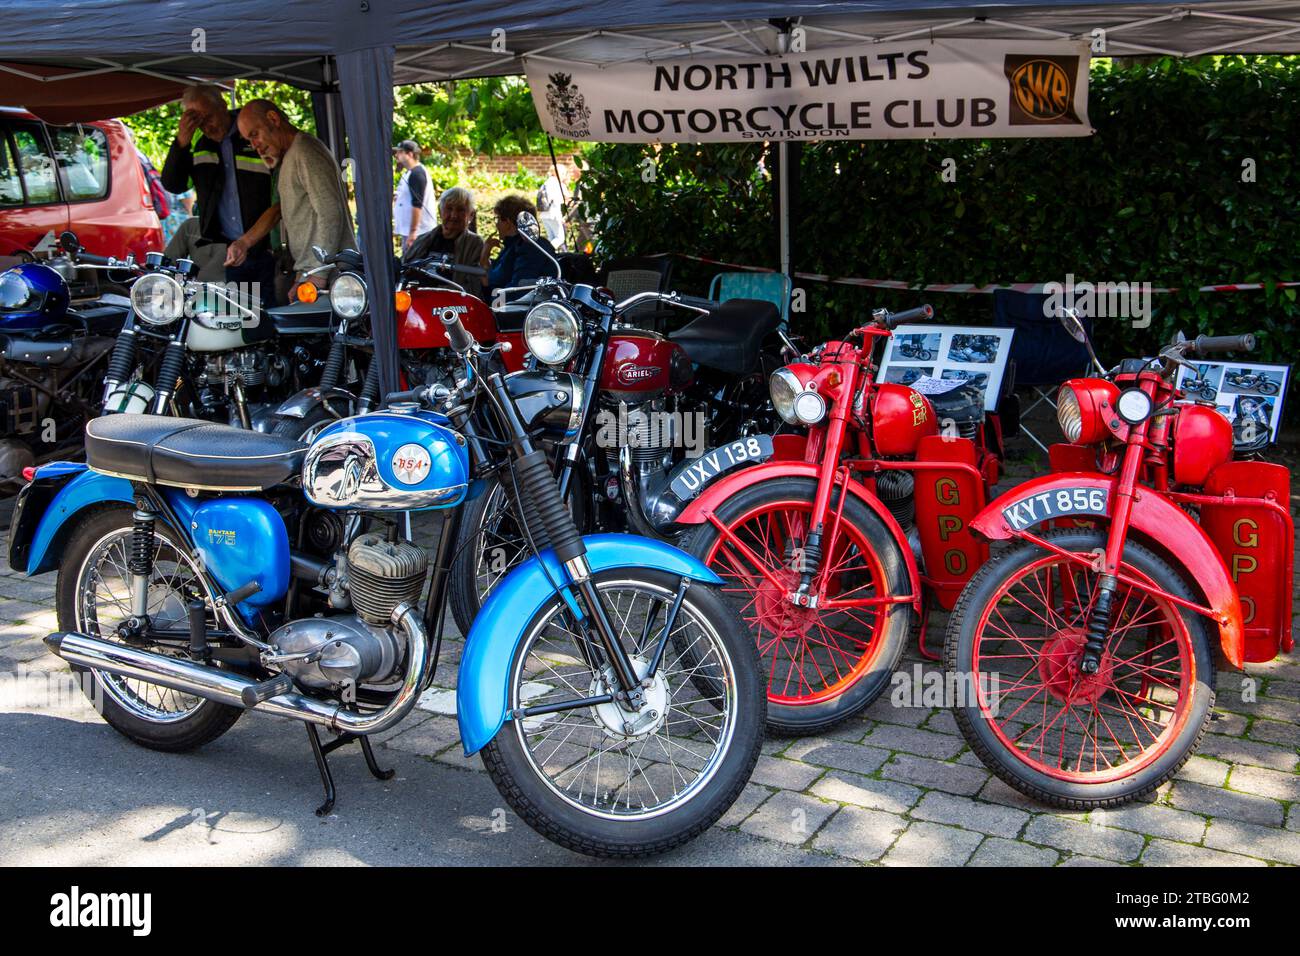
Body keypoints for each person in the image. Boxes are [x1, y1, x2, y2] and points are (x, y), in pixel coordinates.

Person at [160, 84, 278, 305]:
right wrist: (181, 143)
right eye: (199, 122)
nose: (206, 125)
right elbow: (174, 185)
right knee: (241, 318)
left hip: (267, 247)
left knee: (269, 315)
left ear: (222, 105)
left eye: (208, 117)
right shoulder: (201, 146)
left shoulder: (252, 136)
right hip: (232, 251)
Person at [237, 98, 356, 295]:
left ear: (273, 119)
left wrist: (317, 275)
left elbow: (330, 212)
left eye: (255, 134)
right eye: (249, 140)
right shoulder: (291, 154)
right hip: (319, 273)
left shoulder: (306, 151)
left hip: (333, 276)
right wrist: (304, 275)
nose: (255, 145)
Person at [480, 194, 557, 302]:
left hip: (517, 312)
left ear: (508, 222)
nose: (496, 225)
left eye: (497, 219)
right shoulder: (511, 246)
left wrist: (490, 300)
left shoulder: (530, 247)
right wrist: (485, 256)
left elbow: (518, 290)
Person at [406, 186, 484, 286]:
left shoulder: (475, 244)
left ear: (471, 215)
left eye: (461, 210)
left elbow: (474, 284)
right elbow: (405, 268)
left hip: (455, 299)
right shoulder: (423, 240)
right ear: (440, 211)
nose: (454, 215)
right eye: (449, 208)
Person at [392, 140, 436, 257]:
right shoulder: (410, 173)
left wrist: (413, 232)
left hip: (419, 233)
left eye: (400, 152)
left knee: (412, 265)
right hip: (411, 232)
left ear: (410, 154)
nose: (396, 155)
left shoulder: (417, 174)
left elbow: (417, 204)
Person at [537, 163, 567, 251]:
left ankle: (548, 255)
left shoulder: (547, 182)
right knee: (560, 238)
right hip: (554, 214)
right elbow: (562, 199)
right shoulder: (557, 184)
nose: (564, 176)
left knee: (551, 237)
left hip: (544, 214)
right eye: (564, 174)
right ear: (559, 173)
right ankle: (546, 253)